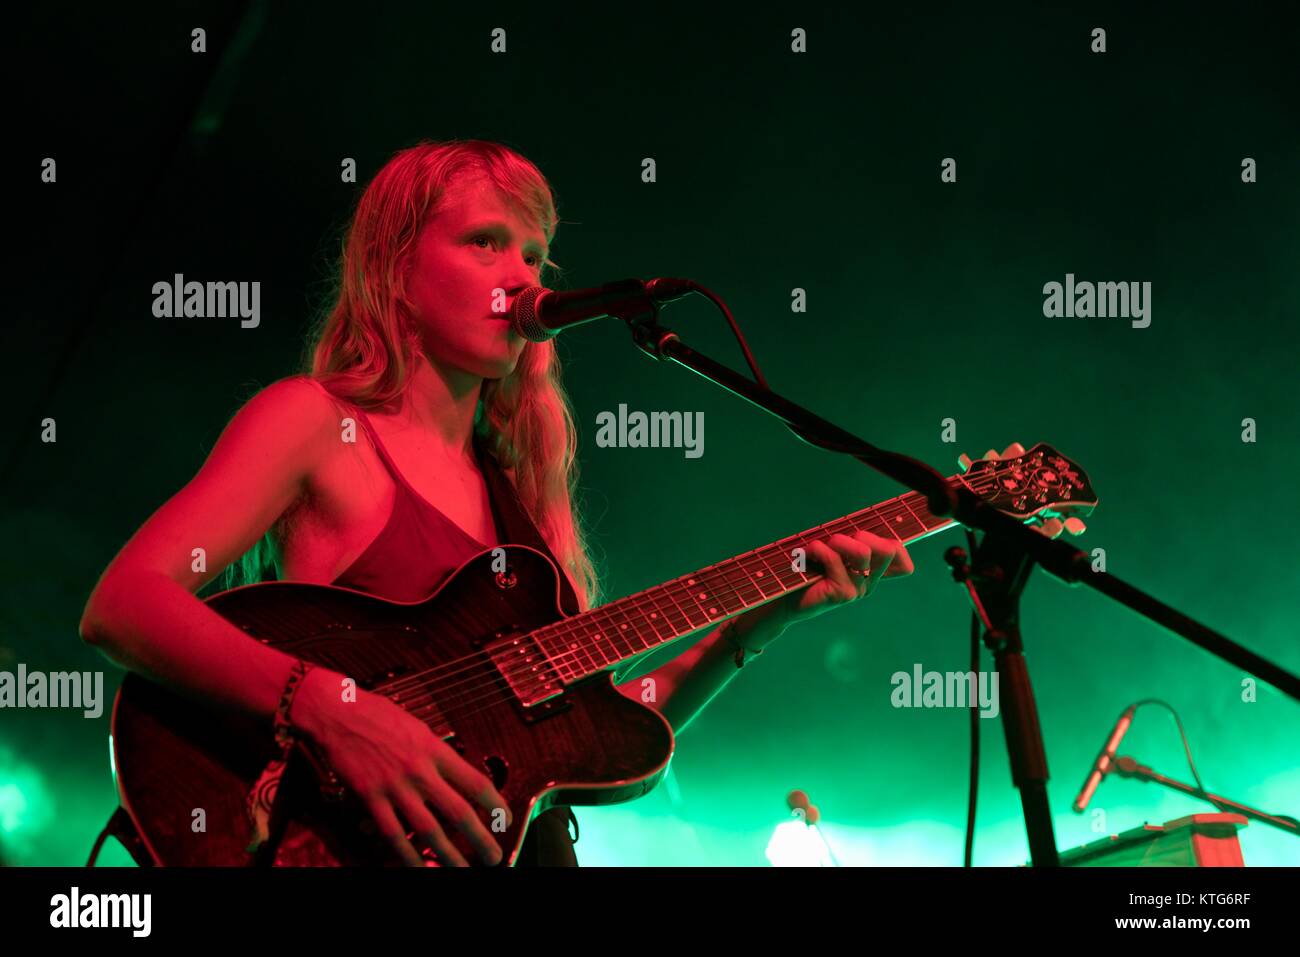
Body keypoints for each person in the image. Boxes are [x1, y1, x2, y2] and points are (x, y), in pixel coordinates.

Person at [78, 139, 913, 867]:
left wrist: (752, 626)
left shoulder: (519, 501)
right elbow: (124, 603)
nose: (521, 277)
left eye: (534, 255)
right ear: (396, 271)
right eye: (487, 242)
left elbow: (596, 736)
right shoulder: (315, 423)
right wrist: (334, 711)